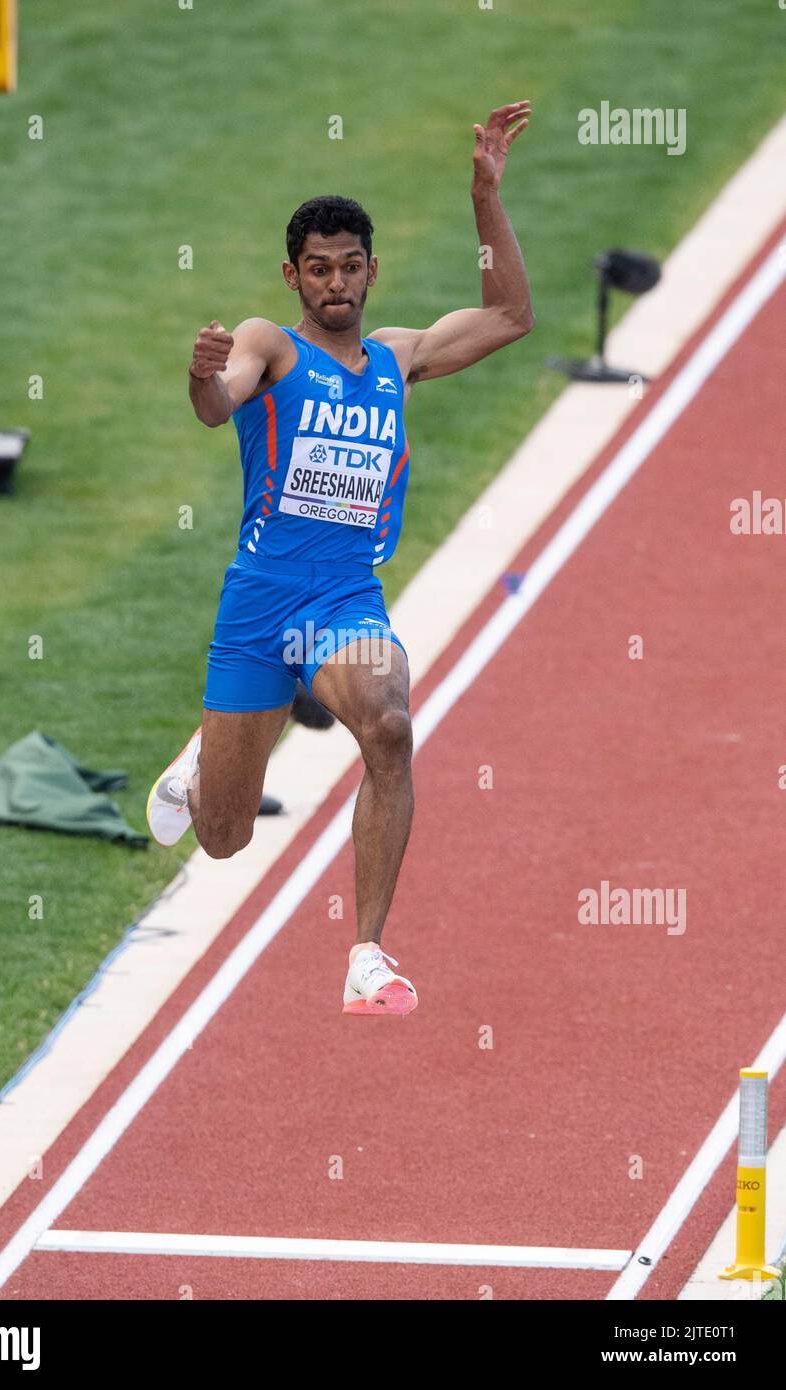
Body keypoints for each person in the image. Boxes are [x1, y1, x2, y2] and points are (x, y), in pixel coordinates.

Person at [148, 103, 534, 1015]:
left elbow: (510, 314)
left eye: (350, 267)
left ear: (370, 270)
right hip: (259, 602)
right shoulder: (268, 345)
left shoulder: (398, 359)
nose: (335, 284)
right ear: (292, 276)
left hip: (342, 603)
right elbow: (216, 405)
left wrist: (485, 194)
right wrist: (202, 370)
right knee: (224, 840)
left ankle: (365, 954)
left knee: (389, 724)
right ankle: (205, 767)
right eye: (317, 269)